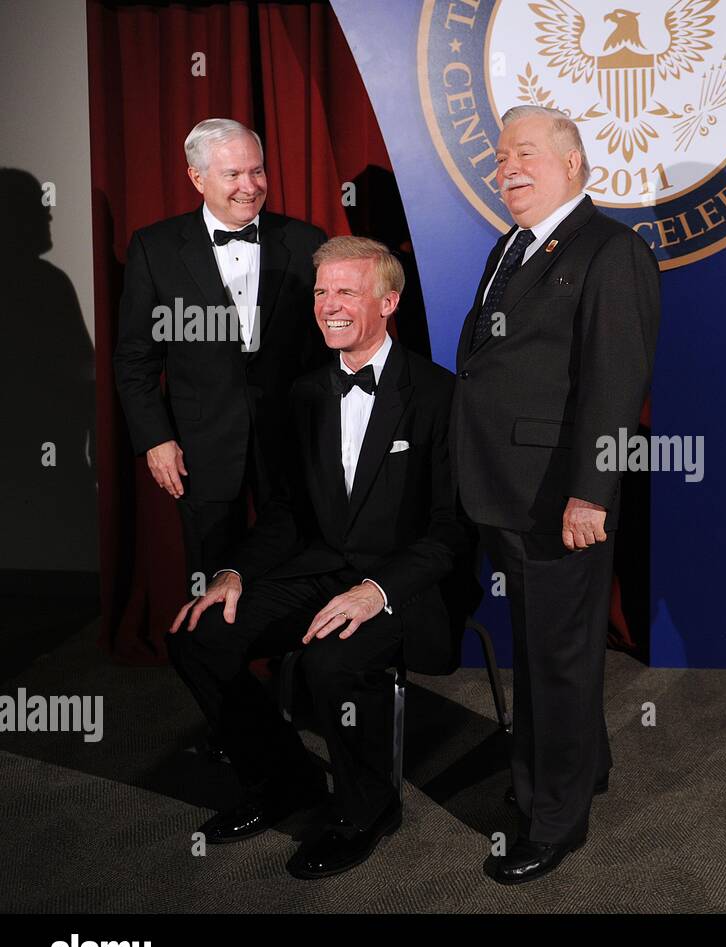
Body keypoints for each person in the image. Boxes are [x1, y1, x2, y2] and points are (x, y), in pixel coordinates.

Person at [166, 237, 470, 879]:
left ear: (388, 301)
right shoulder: (303, 395)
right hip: (317, 570)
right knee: (201, 635)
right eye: (321, 292)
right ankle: (283, 781)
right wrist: (235, 573)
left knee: (330, 664)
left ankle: (367, 809)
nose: (329, 306)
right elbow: (286, 515)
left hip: (401, 587)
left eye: (346, 292)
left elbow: (450, 530)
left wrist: (375, 592)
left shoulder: (439, 394)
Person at [451, 105, 660, 884]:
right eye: (501, 157)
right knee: (545, 649)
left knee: (559, 660)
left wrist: (590, 495)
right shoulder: (511, 246)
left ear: (572, 163)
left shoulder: (612, 252)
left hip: (561, 500)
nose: (506, 168)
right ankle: (582, 765)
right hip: (507, 490)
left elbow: (617, 383)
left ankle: (554, 821)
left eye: (525, 154)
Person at [114, 118, 326, 582]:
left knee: (294, 568)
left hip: (291, 444)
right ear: (197, 178)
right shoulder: (156, 248)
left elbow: (326, 354)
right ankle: (212, 654)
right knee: (210, 578)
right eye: (233, 174)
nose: (250, 187)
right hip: (200, 445)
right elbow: (136, 358)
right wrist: (155, 438)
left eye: (257, 171)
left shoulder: (307, 242)